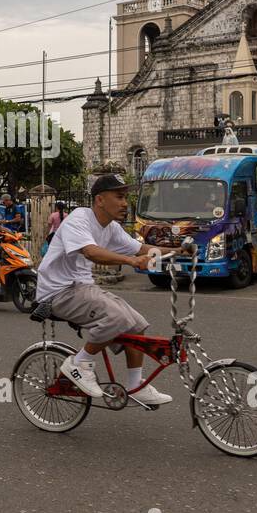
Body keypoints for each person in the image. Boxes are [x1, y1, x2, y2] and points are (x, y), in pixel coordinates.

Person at [36, 174, 177, 406]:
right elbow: (91, 252)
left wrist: (180, 250)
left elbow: (141, 248)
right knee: (117, 317)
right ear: (100, 200)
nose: (125, 203)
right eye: (119, 197)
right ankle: (79, 364)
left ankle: (135, 385)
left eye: (126, 197)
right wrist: (131, 261)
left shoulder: (111, 228)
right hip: (58, 292)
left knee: (137, 324)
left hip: (82, 289)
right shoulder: (79, 218)